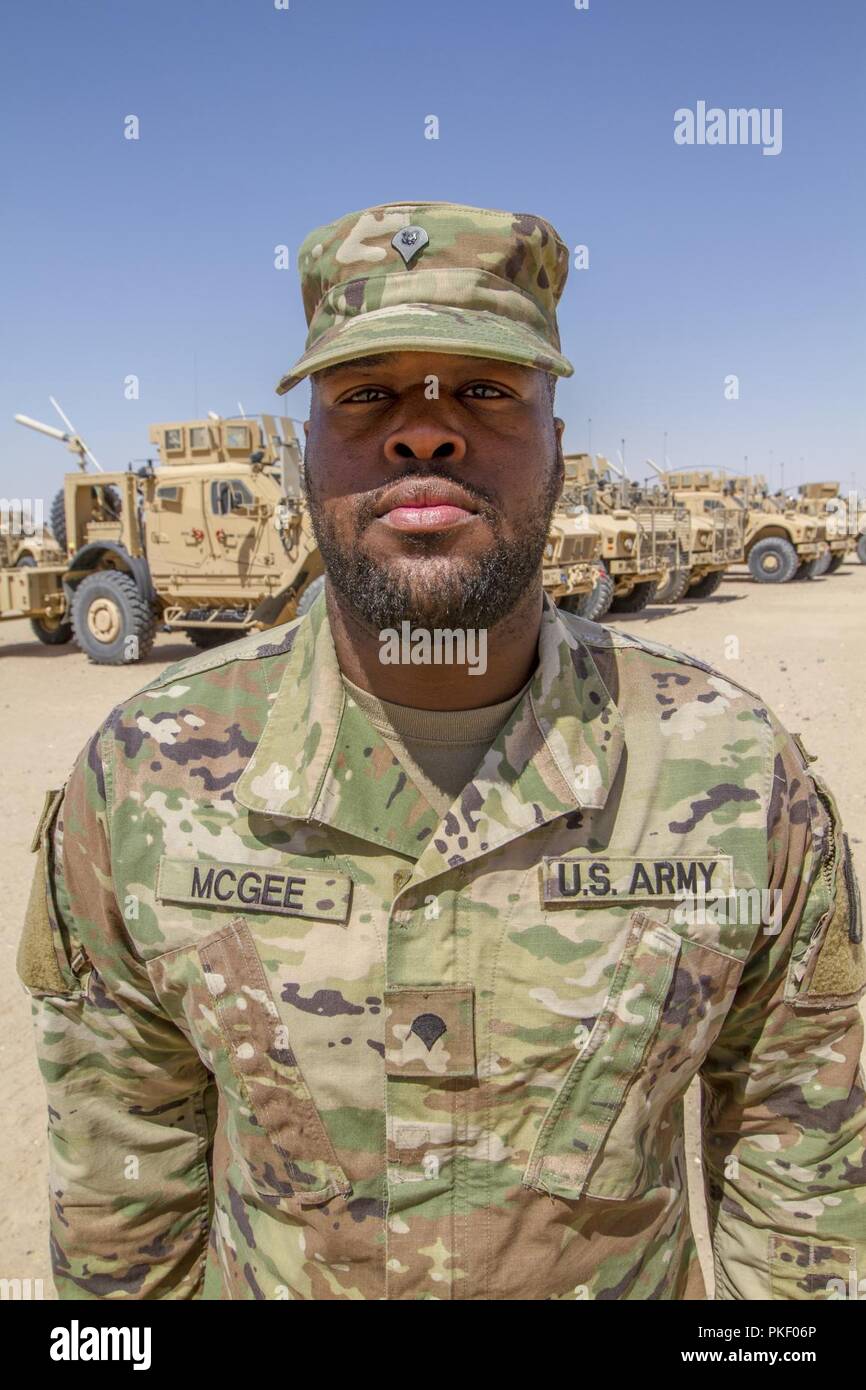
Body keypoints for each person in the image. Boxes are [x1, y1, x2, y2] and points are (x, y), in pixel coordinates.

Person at [17, 201, 866, 1301]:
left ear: (557, 446)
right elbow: (119, 1210)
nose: (425, 434)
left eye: (486, 391)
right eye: (366, 395)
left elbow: (801, 1202)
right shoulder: (140, 776)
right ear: (305, 448)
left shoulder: (738, 774)